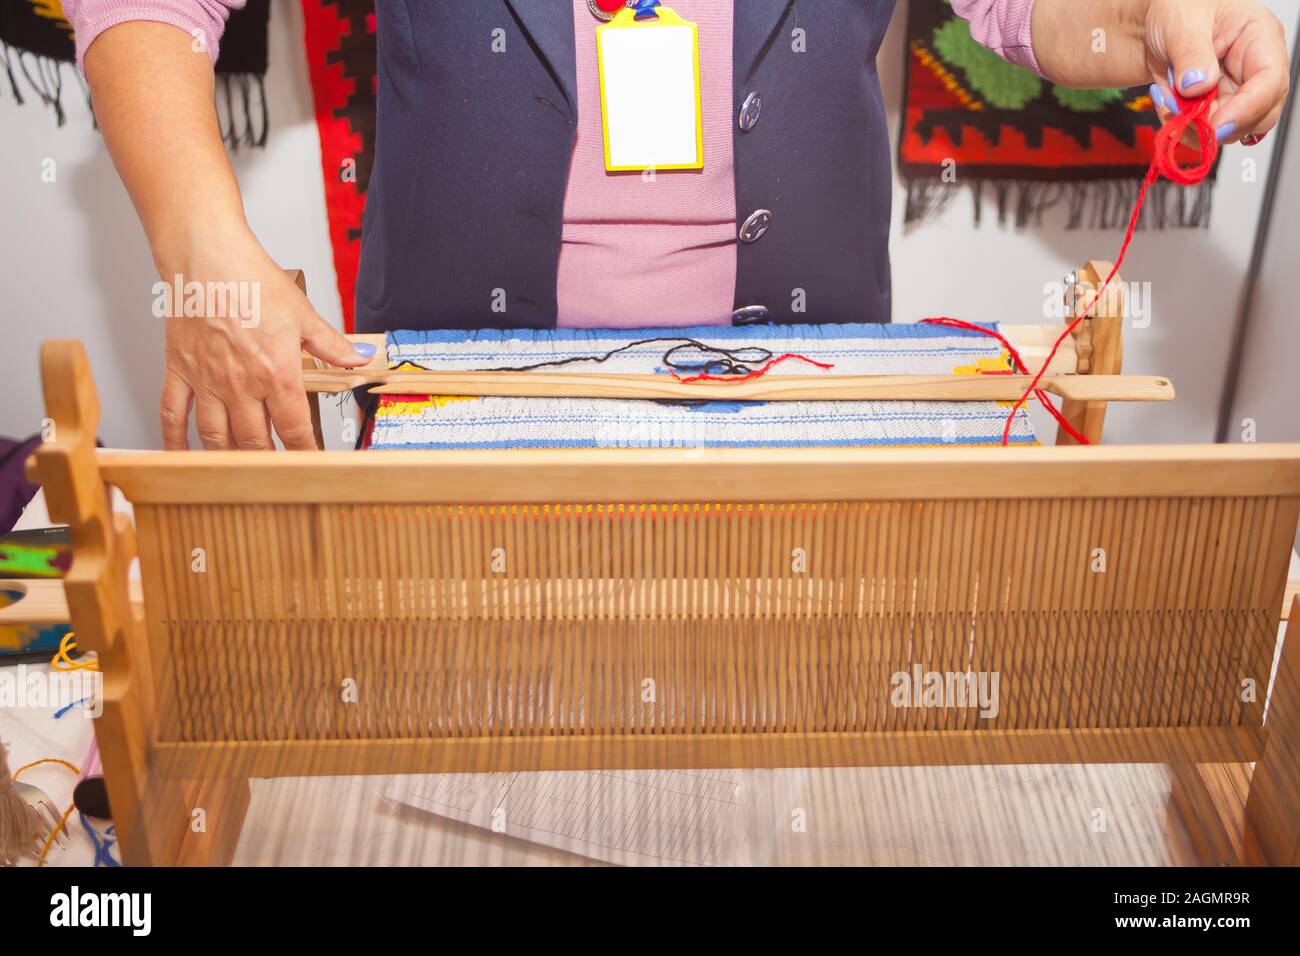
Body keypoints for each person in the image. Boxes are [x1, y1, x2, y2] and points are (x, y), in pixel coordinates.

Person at [64, 0, 1289, 450]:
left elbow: (1028, 11)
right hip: (466, 402)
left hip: (805, 399)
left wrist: (1157, 23)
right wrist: (202, 254)